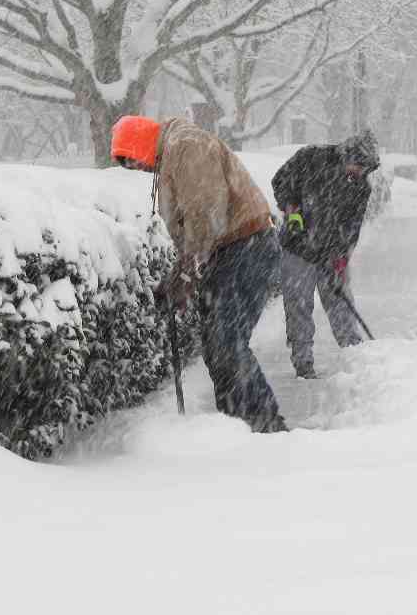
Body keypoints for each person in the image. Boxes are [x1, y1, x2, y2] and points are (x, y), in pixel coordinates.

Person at [110, 115, 287, 433]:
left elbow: (206, 212)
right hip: (233, 251)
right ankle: (240, 425)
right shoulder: (172, 153)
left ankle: (264, 426)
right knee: (222, 344)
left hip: (244, 247)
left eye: (134, 162)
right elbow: (192, 223)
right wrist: (180, 275)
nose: (139, 170)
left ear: (140, 143)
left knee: (225, 343)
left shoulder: (186, 146)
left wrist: (187, 274)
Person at [271, 129, 380, 379]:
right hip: (297, 248)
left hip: (331, 254)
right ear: (347, 156)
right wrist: (292, 208)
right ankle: (303, 362)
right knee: (298, 306)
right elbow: (280, 181)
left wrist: (342, 257)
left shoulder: (360, 186)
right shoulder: (311, 158)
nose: (359, 174)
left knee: (341, 303)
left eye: (364, 170)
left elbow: (353, 226)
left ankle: (358, 357)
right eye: (357, 167)